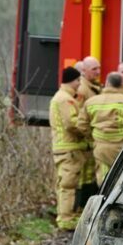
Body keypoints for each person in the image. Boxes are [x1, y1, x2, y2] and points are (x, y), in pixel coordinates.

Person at [77, 72, 123, 184]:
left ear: (107, 83)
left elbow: (81, 125)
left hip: (101, 148)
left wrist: (92, 137)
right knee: (121, 181)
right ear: (121, 84)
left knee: (104, 182)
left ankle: (105, 200)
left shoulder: (91, 102)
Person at [48, 66, 91, 230]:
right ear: (72, 81)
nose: (80, 83)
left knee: (67, 183)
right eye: (78, 80)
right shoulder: (66, 99)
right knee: (67, 185)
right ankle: (66, 219)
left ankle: (68, 216)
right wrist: (87, 131)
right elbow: (72, 123)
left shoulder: (63, 97)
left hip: (66, 148)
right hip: (69, 149)